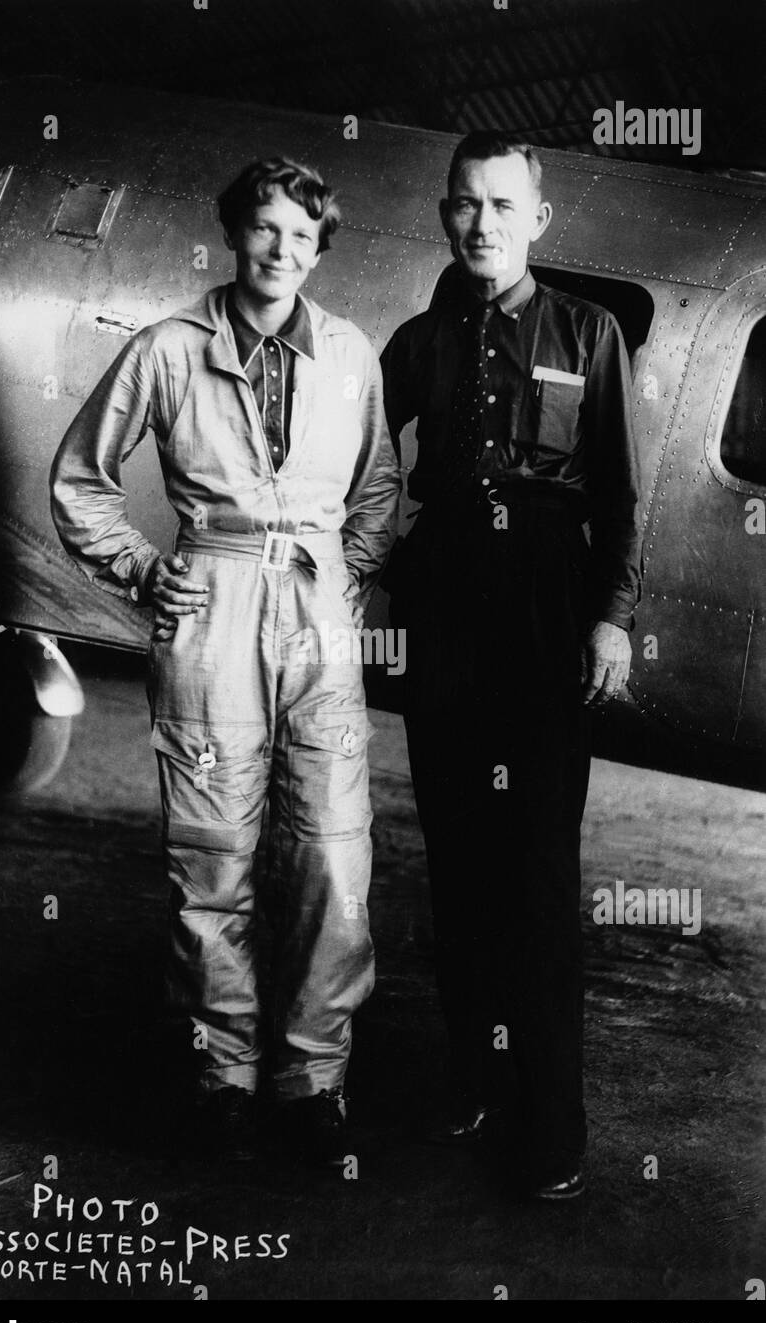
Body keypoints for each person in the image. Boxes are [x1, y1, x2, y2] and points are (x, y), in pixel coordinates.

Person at [50, 156, 400, 1165]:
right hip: (211, 610)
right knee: (212, 857)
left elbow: (378, 490)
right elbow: (81, 480)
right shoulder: (167, 349)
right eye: (264, 229)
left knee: (331, 855)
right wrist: (140, 566)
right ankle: (221, 1076)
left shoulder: (349, 354)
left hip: (318, 619)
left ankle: (312, 1077)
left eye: (300, 234)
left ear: (319, 244)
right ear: (235, 234)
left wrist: (343, 576)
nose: (280, 251)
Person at [380, 131, 641, 1200]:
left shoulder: (592, 335)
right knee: (454, 858)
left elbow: (621, 494)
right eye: (463, 205)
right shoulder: (413, 343)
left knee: (534, 871)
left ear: (538, 219)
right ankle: (470, 1077)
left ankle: (553, 1119)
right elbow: (350, 466)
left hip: (544, 603)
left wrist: (611, 618)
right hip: (443, 602)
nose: (480, 223)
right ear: (445, 216)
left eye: (501, 205)